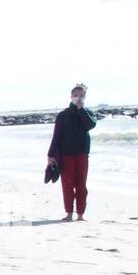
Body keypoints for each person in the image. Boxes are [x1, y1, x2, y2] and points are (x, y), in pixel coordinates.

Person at [48, 83, 96, 221]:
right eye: (76, 95)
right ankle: (69, 213)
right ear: (71, 97)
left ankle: (80, 214)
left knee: (81, 184)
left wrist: (81, 110)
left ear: (85, 97)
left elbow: (90, 125)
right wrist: (51, 155)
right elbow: (56, 136)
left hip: (82, 153)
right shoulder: (63, 115)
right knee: (67, 184)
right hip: (65, 154)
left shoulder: (88, 114)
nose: (78, 98)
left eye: (81, 95)